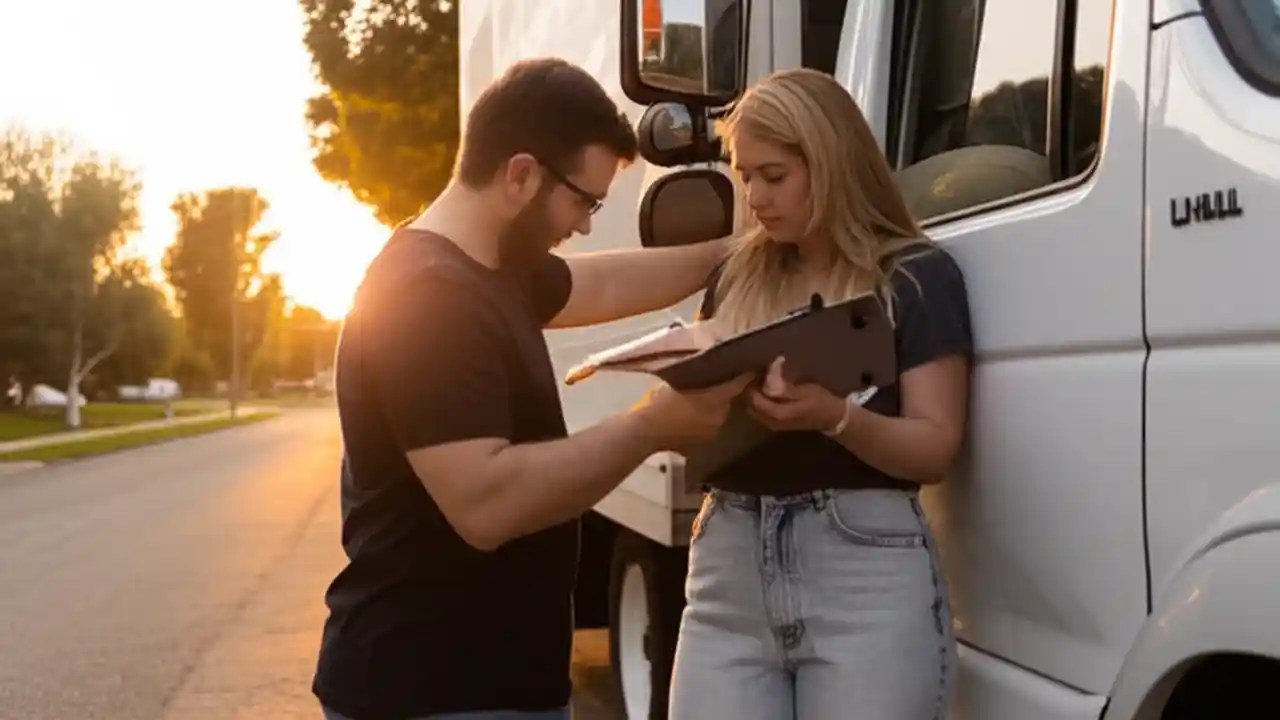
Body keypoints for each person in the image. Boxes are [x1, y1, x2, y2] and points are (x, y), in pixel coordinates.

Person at [312, 58, 752, 720]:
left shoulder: (496, 270)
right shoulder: (428, 296)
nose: (582, 225)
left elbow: (604, 283)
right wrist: (651, 425)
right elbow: (487, 504)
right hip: (429, 693)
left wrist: (740, 252)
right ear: (521, 174)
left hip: (491, 688)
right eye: (584, 201)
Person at [668, 68, 974, 719]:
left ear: (830, 162)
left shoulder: (915, 279)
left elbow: (934, 448)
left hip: (862, 570)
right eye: (744, 175)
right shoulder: (736, 276)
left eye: (773, 176)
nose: (754, 197)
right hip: (729, 561)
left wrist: (834, 417)